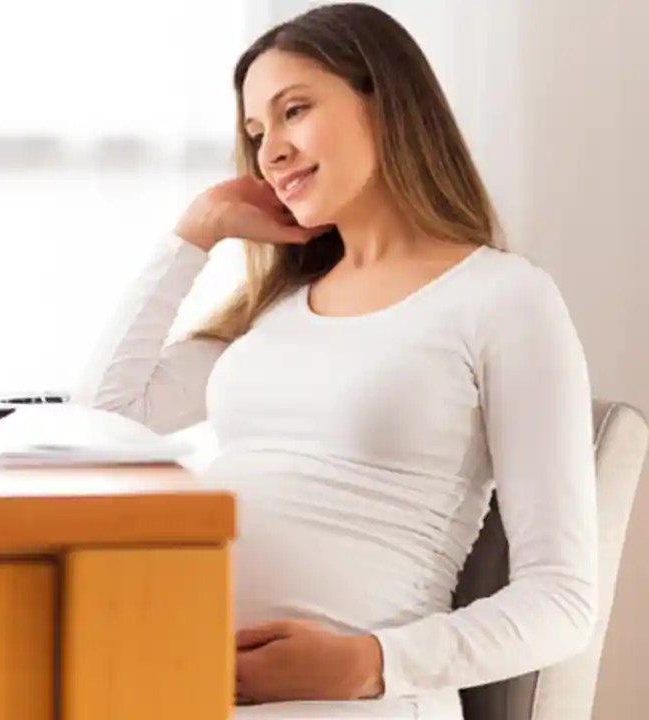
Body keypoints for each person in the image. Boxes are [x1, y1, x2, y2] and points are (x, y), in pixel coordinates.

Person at [72, 3, 597, 719]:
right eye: (256, 134)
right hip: (186, 682)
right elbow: (105, 417)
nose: (271, 152)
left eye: (295, 111)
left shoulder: (504, 299)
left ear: (386, 103)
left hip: (351, 701)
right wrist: (198, 231)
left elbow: (563, 599)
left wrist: (367, 664)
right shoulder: (278, 309)